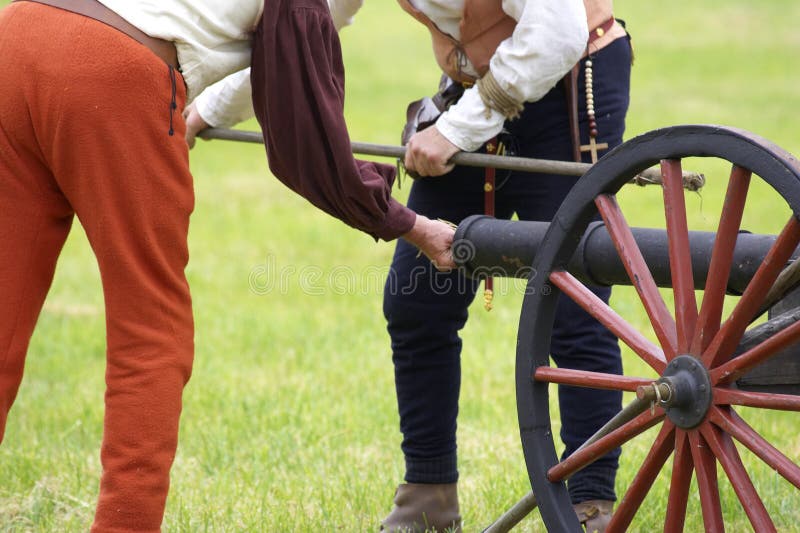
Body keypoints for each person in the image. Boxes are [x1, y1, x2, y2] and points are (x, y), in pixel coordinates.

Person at [0, 1, 453, 532]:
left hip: (20, 35)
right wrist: (413, 226)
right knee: (150, 333)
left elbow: (270, 64)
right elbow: (309, 143)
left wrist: (202, 110)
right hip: (113, 70)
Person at [185, 0, 630, 531]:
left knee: (572, 305)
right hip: (480, 86)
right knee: (416, 301)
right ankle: (428, 496)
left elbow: (557, 32)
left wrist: (455, 130)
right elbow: (302, 31)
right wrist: (209, 108)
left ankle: (590, 502)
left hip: (568, 74)